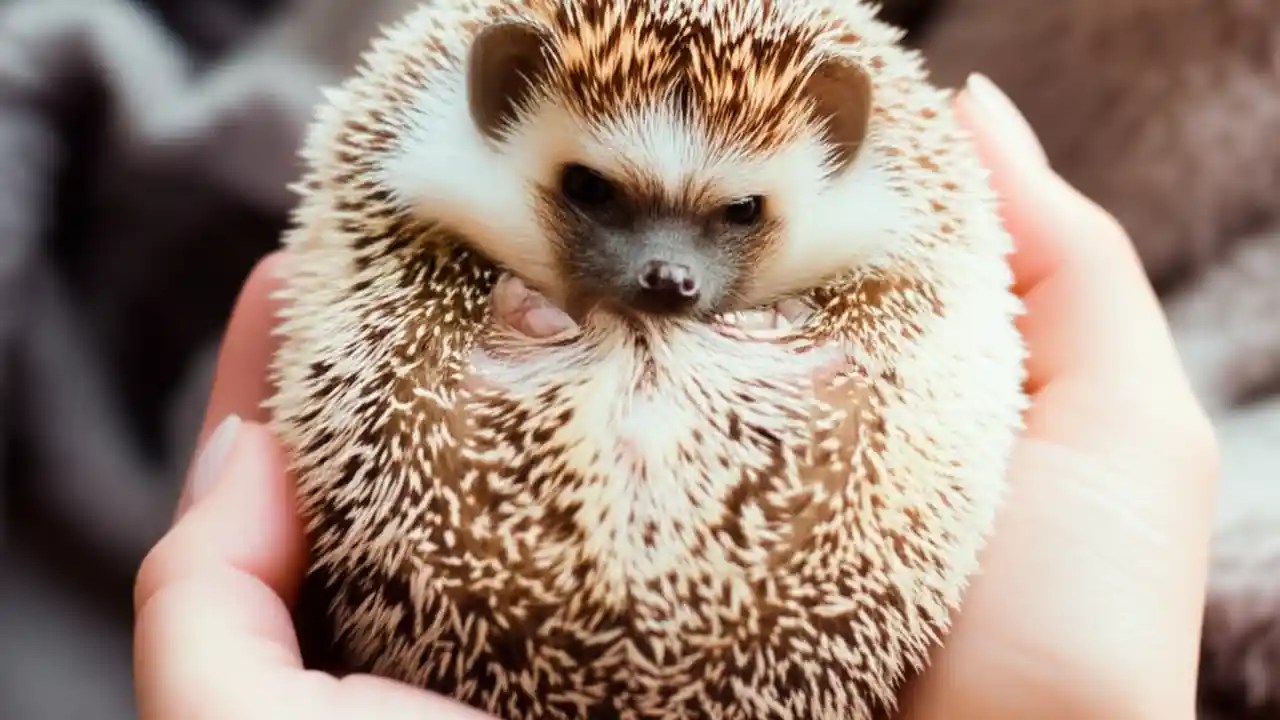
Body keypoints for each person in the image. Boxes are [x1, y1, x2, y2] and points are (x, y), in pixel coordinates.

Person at [132, 74, 1219, 720]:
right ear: (496, 108)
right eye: (594, 194)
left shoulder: (888, 246)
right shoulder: (418, 214)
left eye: (736, 214)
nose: (663, 270)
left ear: (828, 162)